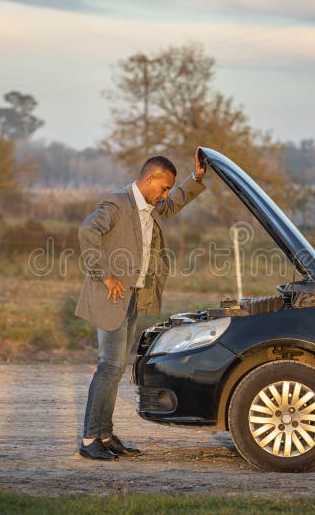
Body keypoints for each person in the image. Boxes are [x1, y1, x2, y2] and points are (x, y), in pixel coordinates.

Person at [75, 148, 207, 460]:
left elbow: (174, 203)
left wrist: (196, 179)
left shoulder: (150, 206)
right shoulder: (118, 203)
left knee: (117, 367)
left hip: (133, 296)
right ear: (150, 179)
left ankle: (105, 435)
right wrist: (105, 276)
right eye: (163, 188)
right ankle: (90, 439)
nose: (165, 195)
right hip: (113, 296)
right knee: (109, 366)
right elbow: (86, 232)